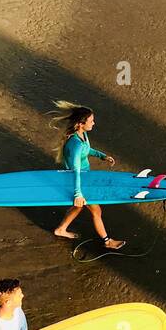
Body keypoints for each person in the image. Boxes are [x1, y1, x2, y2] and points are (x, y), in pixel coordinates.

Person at [51, 101, 125, 248]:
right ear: (80, 123)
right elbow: (76, 170)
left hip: (85, 177)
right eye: (91, 121)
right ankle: (107, 241)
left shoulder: (82, 135)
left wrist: (102, 156)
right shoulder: (75, 144)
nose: (94, 123)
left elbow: (88, 149)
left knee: (78, 207)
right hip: (78, 180)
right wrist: (78, 194)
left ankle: (61, 229)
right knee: (96, 210)